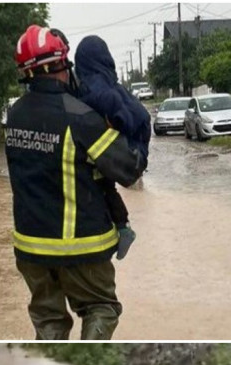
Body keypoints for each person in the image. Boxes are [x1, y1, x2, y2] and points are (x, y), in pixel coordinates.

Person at [6, 25, 145, 339]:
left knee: (49, 322)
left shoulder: (14, 115)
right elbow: (128, 169)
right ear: (61, 64)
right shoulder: (80, 117)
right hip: (81, 248)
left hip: (30, 252)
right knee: (102, 308)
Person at [74, 35, 152, 260]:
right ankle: (124, 226)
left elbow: (129, 116)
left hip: (134, 146)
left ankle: (124, 227)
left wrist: (115, 125)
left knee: (106, 186)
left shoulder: (94, 89)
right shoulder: (112, 85)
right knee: (105, 184)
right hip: (136, 142)